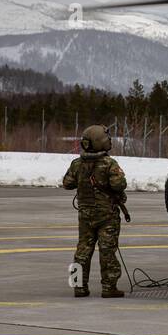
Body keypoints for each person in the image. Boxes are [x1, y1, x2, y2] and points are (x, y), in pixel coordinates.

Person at [62, 124, 129, 298]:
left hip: (85, 215)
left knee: (82, 250)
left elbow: (67, 183)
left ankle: (79, 286)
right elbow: (119, 184)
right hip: (106, 215)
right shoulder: (109, 164)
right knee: (107, 251)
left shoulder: (77, 164)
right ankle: (109, 287)